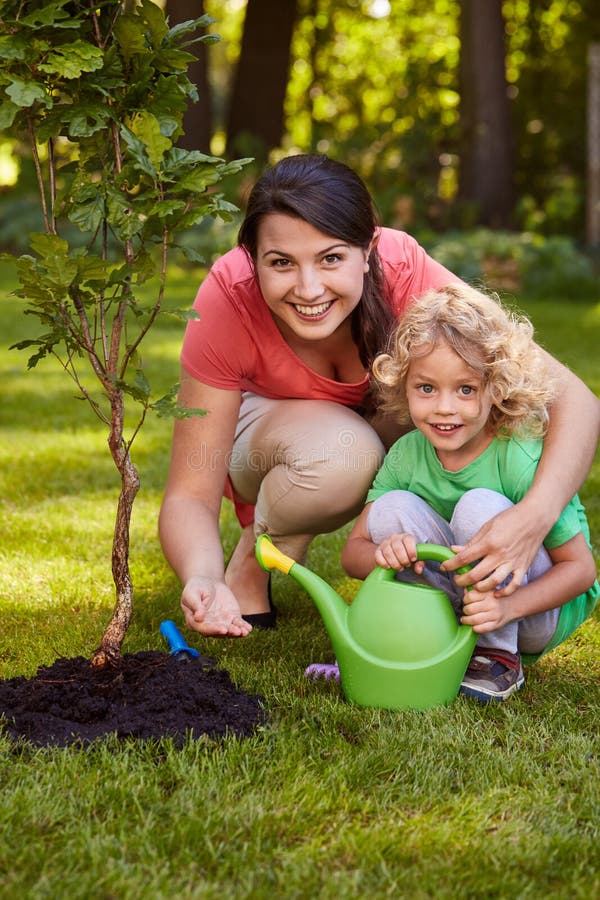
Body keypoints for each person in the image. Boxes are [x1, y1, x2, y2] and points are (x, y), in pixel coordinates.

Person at [158, 153, 600, 637]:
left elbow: (574, 400)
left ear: (369, 249)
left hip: (376, 435)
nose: (308, 289)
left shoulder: (404, 271)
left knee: (433, 403)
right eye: (281, 263)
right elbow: (190, 493)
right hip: (272, 444)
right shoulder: (229, 296)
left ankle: (438, 570)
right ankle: (256, 553)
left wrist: (533, 518)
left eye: (331, 258)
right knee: (346, 454)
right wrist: (201, 574)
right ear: (252, 258)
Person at [340, 285, 599, 701]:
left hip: (534, 609)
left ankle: (499, 659)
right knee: (391, 509)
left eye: (465, 390)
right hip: (468, 596)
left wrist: (510, 609)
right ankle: (445, 637)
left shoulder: (516, 455)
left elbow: (581, 571)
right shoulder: (408, 454)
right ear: (403, 386)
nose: (445, 408)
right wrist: (381, 554)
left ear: (496, 388)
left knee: (478, 506)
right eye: (426, 388)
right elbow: (352, 553)